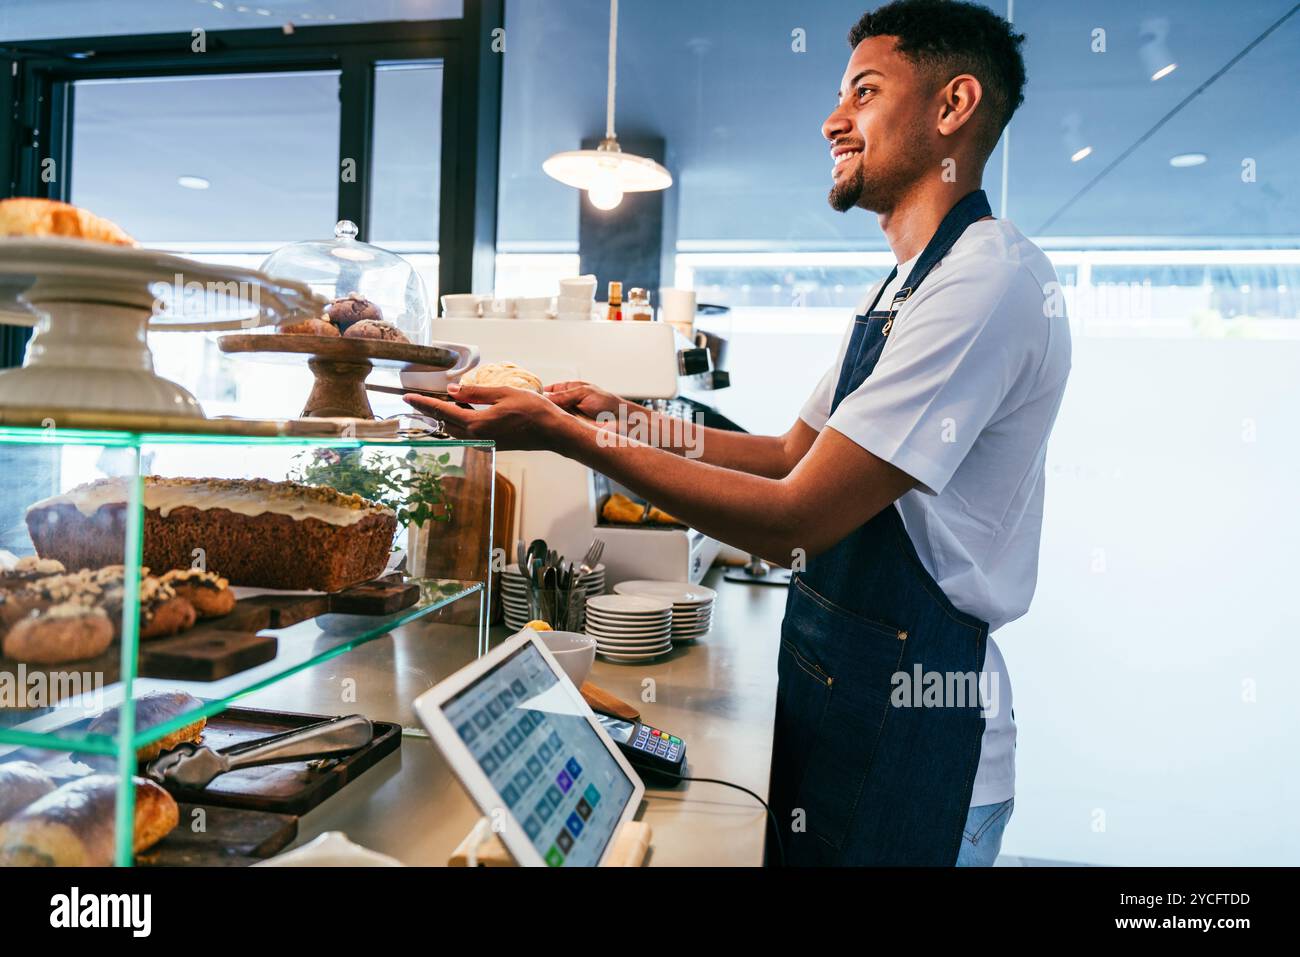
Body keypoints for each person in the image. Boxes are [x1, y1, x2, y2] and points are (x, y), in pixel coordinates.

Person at [407, 0, 1071, 866]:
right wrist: (621, 414)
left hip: (920, 727)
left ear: (953, 107)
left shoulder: (986, 283)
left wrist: (571, 441)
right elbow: (789, 453)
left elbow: (797, 513)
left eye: (864, 92)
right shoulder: (905, 286)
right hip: (848, 690)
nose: (834, 119)